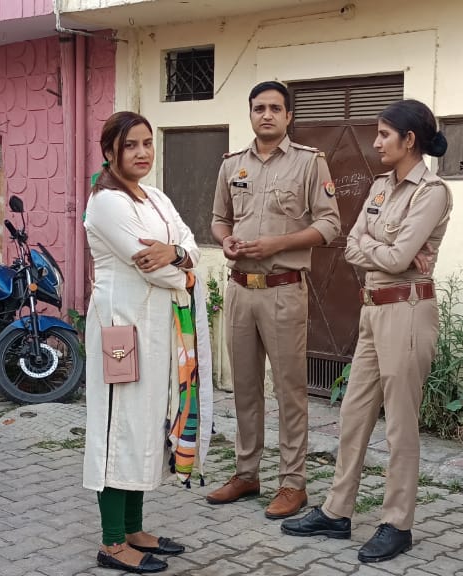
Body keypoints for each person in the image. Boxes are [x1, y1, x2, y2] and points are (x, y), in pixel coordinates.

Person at [281, 99, 452, 563]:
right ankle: (337, 512)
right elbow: (350, 243)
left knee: (399, 424)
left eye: (382, 135)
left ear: (409, 140)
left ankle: (397, 522)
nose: (375, 142)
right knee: (353, 413)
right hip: (373, 311)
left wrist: (383, 250)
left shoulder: (431, 191)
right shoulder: (380, 186)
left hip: (408, 313)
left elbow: (392, 259)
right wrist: (388, 249)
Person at [83, 111, 215, 574]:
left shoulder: (155, 197)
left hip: (159, 329)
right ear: (109, 152)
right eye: (131, 145)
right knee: (118, 428)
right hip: (121, 332)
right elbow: (149, 267)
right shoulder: (105, 203)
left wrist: (178, 253)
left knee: (144, 426)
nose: (142, 153)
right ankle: (112, 542)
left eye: (147, 143)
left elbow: (189, 243)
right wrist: (184, 270)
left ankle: (136, 529)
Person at [207, 81, 341, 519]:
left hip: (283, 289)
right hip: (241, 290)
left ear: (288, 117)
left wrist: (276, 245)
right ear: (250, 113)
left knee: (289, 391)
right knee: (244, 388)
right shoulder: (231, 164)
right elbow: (219, 220)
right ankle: (246, 474)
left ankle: (293, 483)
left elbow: (329, 225)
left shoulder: (309, 164)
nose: (266, 115)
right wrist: (227, 242)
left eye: (275, 108)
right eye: (258, 107)